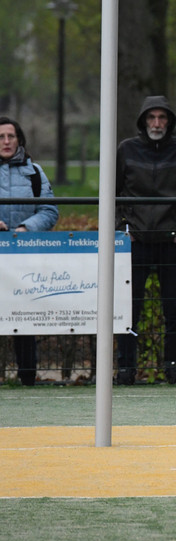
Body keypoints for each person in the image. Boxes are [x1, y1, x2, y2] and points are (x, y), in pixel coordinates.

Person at [115, 96, 176, 385]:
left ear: (169, 121)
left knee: (175, 309)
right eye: (151, 117)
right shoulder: (126, 149)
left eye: (162, 117)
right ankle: (126, 369)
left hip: (171, 242)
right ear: (143, 121)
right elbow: (112, 193)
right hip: (136, 241)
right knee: (129, 310)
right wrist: (122, 228)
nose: (156, 123)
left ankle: (175, 368)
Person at [0, 116, 59, 387]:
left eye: (11, 136)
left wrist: (26, 228)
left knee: (24, 317)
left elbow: (49, 210)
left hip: (23, 256)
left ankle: (27, 376)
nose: (6, 142)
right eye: (1, 137)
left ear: (19, 140)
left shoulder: (35, 172)